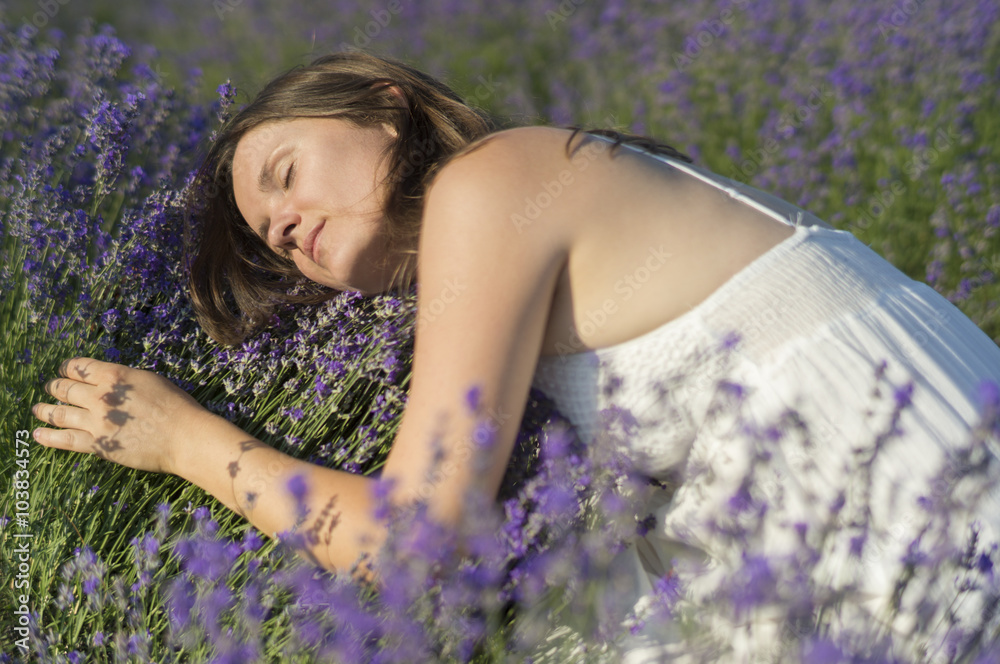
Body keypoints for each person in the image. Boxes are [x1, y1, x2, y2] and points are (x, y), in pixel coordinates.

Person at [30, 51, 1000, 660]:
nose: (284, 221)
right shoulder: (510, 218)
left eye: (284, 174)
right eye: (274, 237)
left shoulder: (492, 182)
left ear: (384, 101)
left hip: (932, 532)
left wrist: (189, 443)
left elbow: (418, 539)